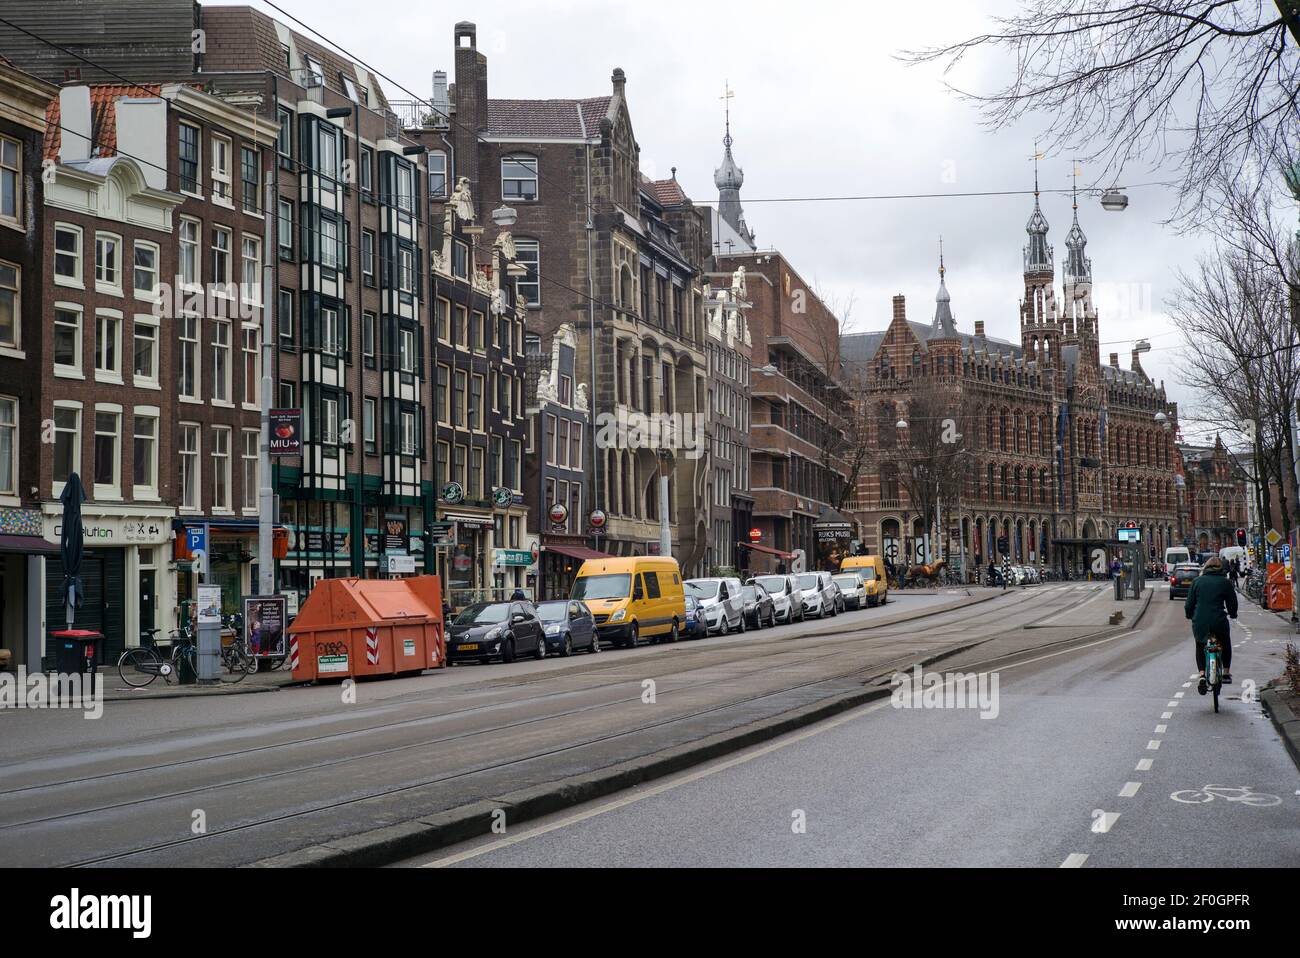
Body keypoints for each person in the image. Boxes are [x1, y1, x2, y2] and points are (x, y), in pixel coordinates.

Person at [1184, 556, 1236, 692]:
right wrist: (1233, 613)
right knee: (1225, 642)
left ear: (1205, 567)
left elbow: (1189, 604)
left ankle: (1201, 674)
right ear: (1221, 568)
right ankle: (1225, 672)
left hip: (1200, 621)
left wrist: (1189, 615)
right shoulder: (1225, 582)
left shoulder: (1197, 582)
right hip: (1218, 620)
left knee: (1200, 645)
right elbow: (1232, 602)